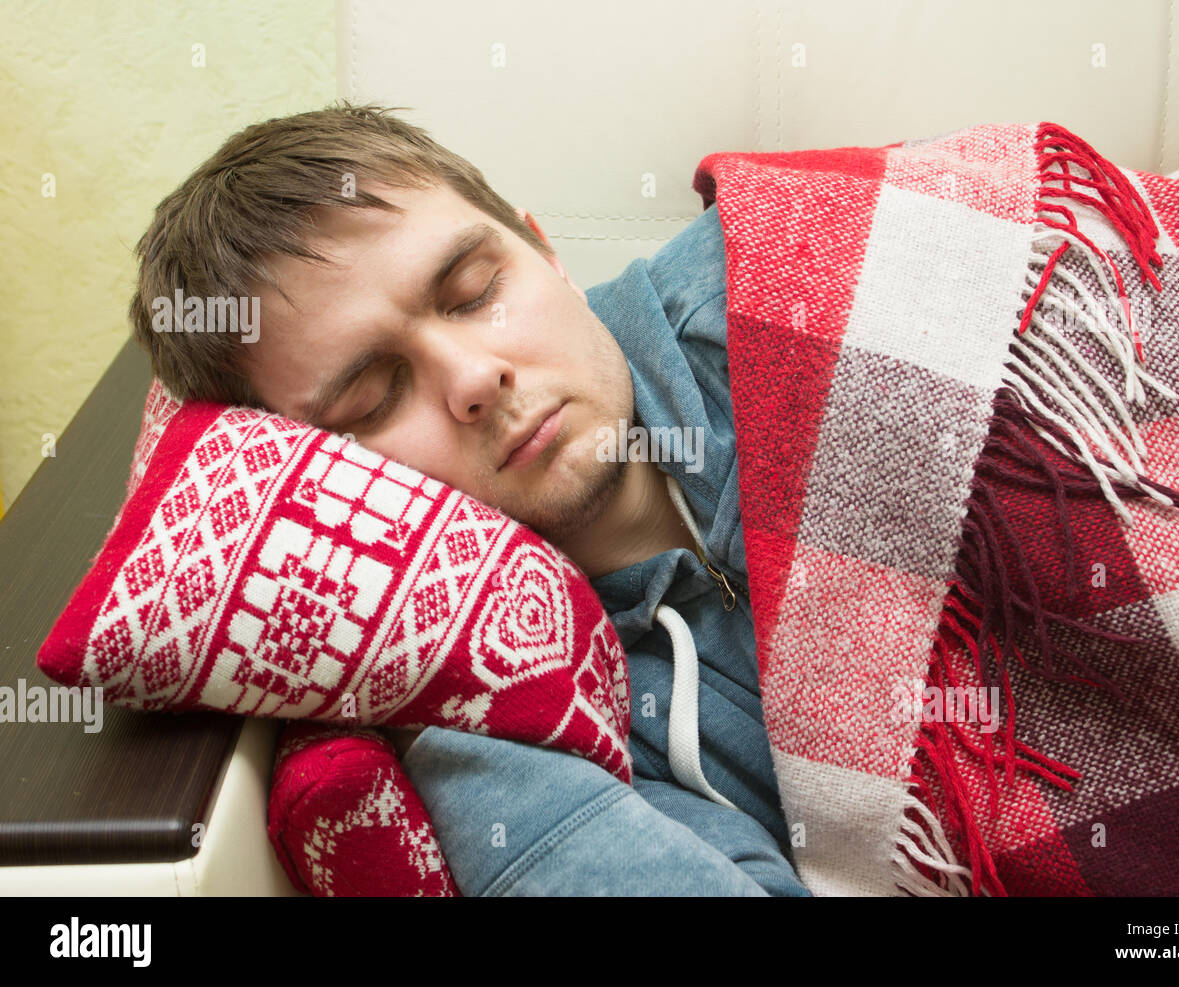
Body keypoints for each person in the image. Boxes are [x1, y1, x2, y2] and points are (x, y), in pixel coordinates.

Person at [130, 102, 810, 896]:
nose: (476, 376)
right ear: (316, 484)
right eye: (375, 396)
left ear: (545, 251)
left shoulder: (782, 275)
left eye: (474, 291)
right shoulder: (524, 717)